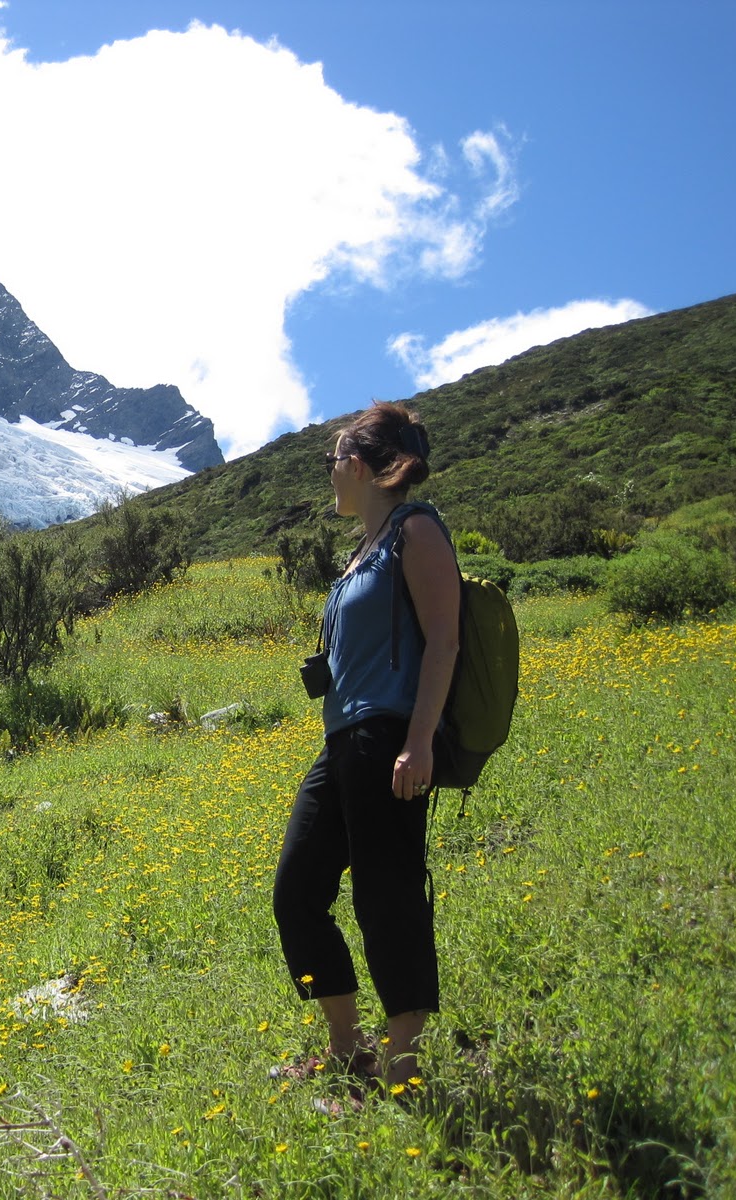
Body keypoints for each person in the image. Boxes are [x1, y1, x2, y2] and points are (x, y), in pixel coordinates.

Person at [272, 400, 460, 1098]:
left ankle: (404, 1064)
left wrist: (419, 743)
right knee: (297, 893)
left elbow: (444, 639)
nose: (329, 474)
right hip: (341, 742)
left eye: (334, 460)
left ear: (360, 464)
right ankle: (349, 1048)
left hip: (389, 737)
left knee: (388, 899)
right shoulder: (362, 553)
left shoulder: (417, 530)